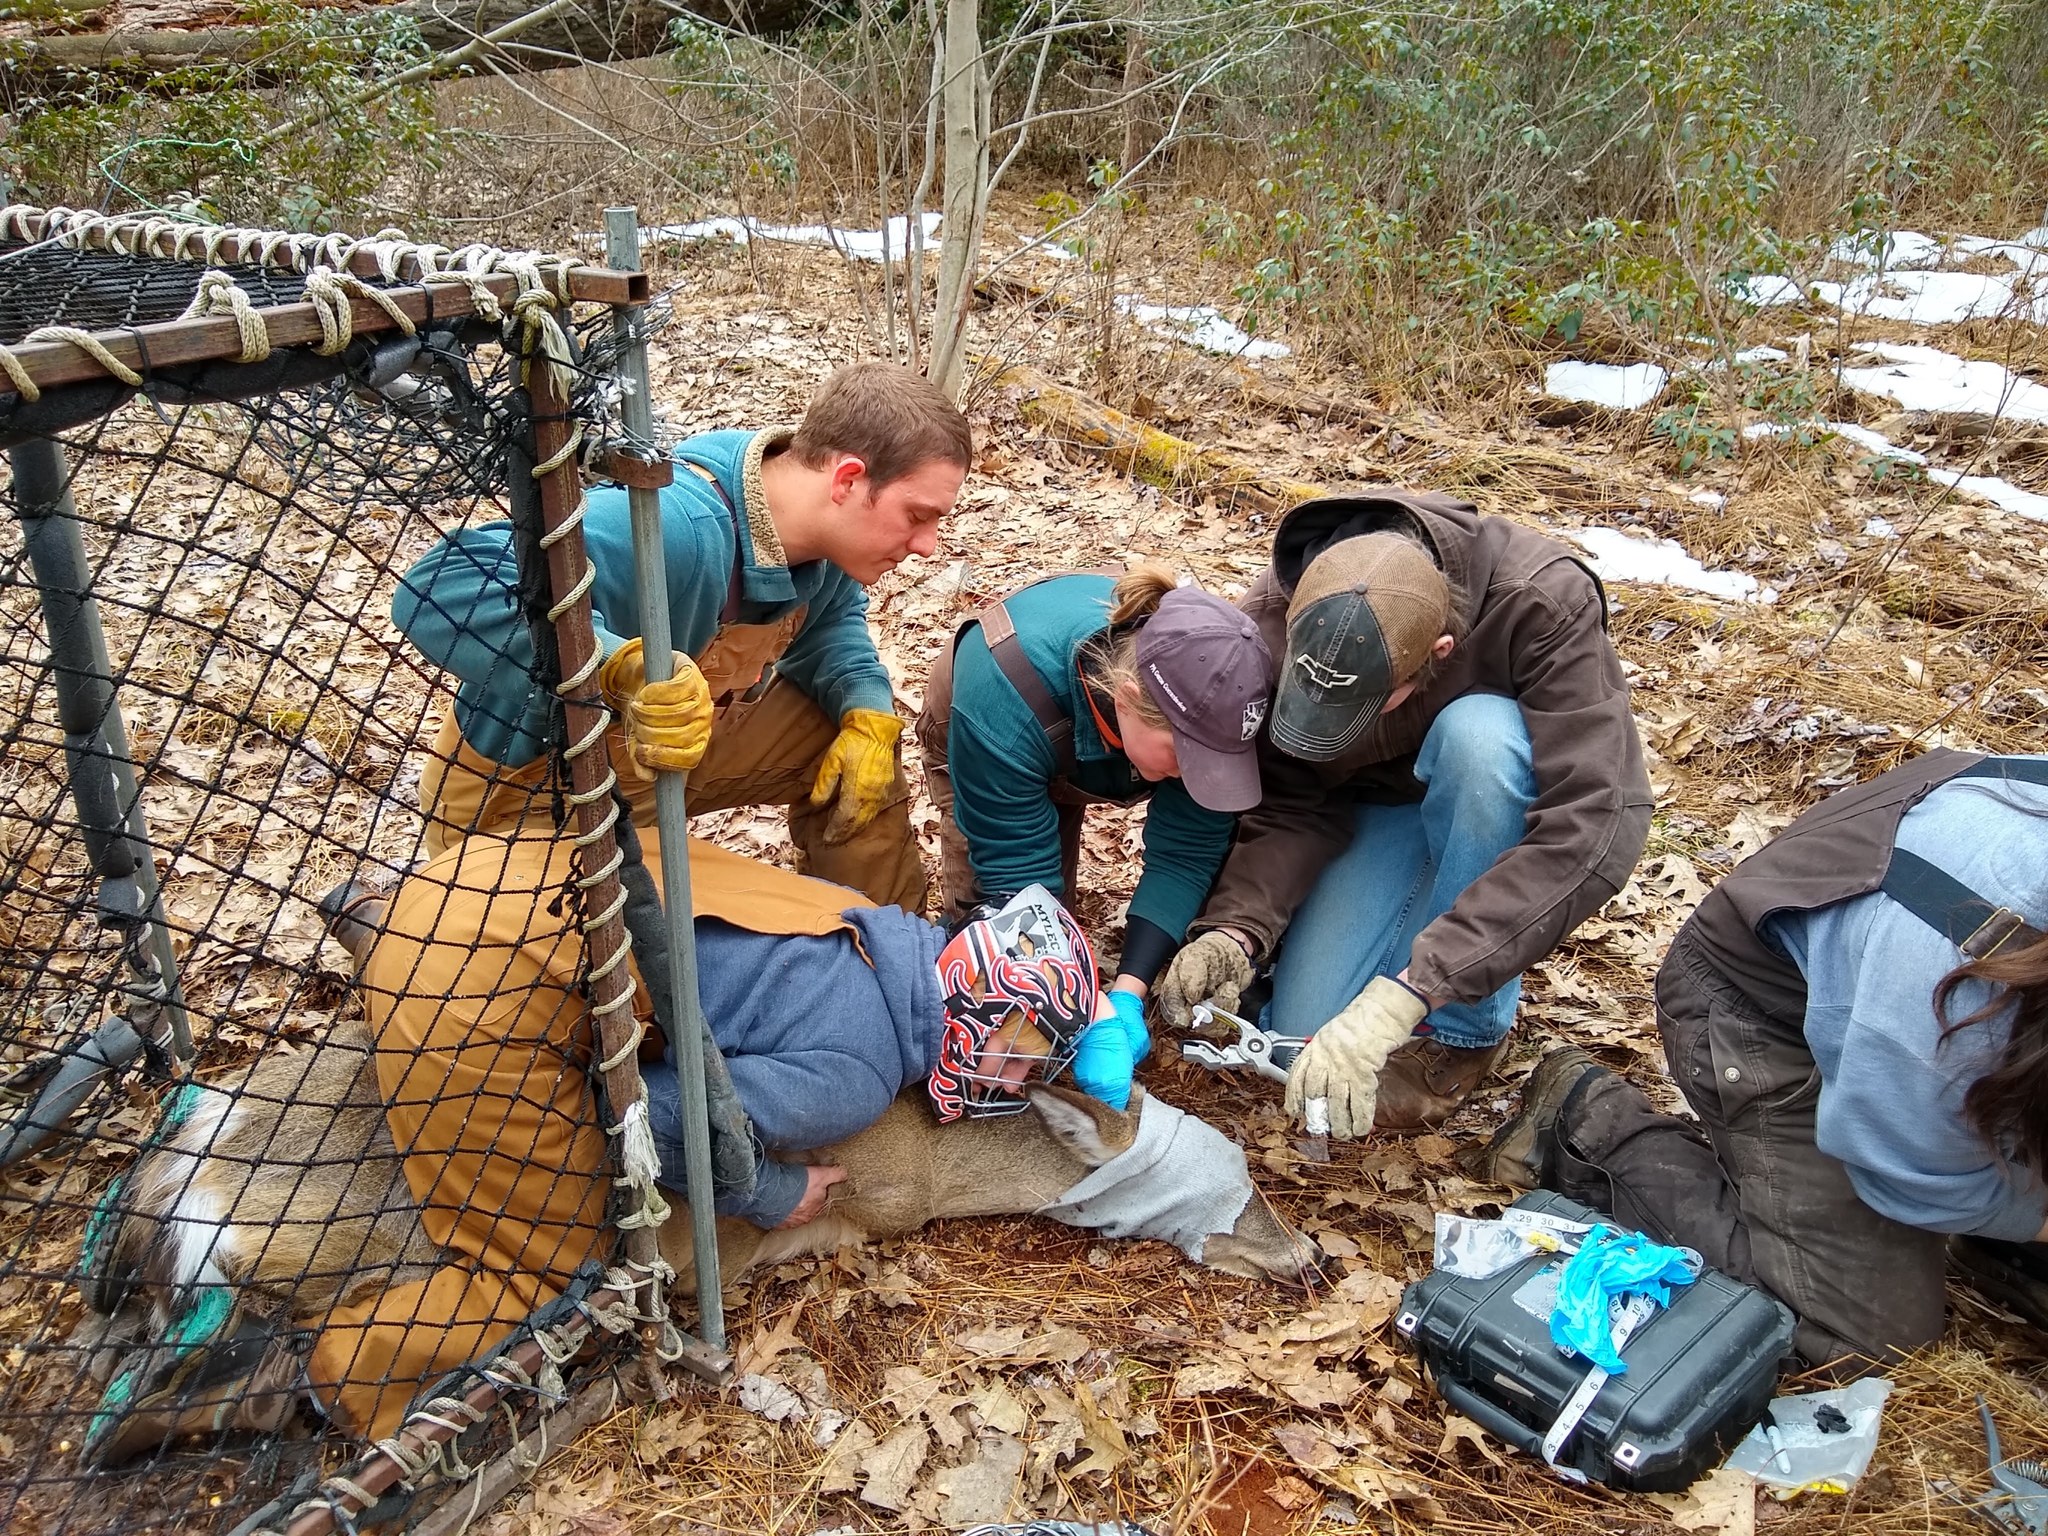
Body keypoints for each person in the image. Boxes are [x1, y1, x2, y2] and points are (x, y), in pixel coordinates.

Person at [99, 834, 1124, 1453]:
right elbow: (662, 1117)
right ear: (979, 1006)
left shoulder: (853, 920)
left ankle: (250, 1096)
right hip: (486, 1007)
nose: (1018, 1071)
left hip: (469, 892)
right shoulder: (855, 1068)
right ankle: (302, 1384)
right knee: (551, 1273)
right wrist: (769, 1193)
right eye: (1021, 1045)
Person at [1470, 751, 2048, 1370]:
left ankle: (1999, 1245)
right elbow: (1902, 1172)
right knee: (1861, 1341)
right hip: (1757, 1010)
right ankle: (1591, 1124)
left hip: (1890, 993)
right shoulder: (1956, 996)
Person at [1154, 490, 1653, 1137]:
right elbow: (1291, 799)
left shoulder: (1540, 602)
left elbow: (1596, 822)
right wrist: (1238, 929)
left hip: (1487, 805)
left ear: (1438, 653)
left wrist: (1422, 984)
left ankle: (1462, 1032)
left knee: (1482, 737)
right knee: (1300, 1037)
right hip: (1375, 814)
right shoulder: (1285, 615)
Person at [390, 360, 970, 910]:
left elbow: (832, 627)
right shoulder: (678, 528)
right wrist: (617, 668)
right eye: (918, 515)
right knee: (663, 945)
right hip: (530, 791)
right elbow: (439, 585)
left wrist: (865, 708)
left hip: (660, 764)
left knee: (851, 744)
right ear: (847, 479)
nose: (927, 546)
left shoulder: (818, 540)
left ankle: (901, 969)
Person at [916, 563, 1275, 1106]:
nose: (1199, 775)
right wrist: (1082, 1001)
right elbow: (1022, 891)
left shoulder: (1213, 691)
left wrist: (1125, 991)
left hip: (1104, 741)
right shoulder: (1004, 688)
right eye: (1185, 758)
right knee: (995, 947)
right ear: (1127, 696)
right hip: (998, 727)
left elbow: (1187, 851)